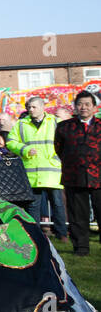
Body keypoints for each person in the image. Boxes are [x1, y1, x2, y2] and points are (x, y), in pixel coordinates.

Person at [6, 95, 67, 240]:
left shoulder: (55, 122)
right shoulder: (21, 124)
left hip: (52, 171)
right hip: (32, 172)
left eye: (34, 107)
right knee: (33, 206)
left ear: (42, 107)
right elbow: (10, 142)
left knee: (57, 204)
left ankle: (62, 234)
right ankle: (35, 234)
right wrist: (24, 150)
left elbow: (66, 141)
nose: (31, 110)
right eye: (29, 107)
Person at [55, 91, 101, 256]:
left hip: (98, 176)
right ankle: (81, 247)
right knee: (77, 215)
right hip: (74, 176)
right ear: (75, 107)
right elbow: (59, 148)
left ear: (94, 107)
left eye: (87, 104)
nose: (84, 108)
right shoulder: (65, 127)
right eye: (80, 104)